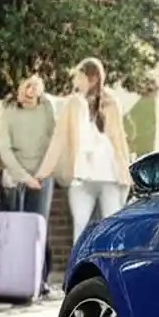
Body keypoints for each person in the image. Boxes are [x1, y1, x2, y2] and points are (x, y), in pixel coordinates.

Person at [35, 57, 133, 244]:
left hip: (110, 177)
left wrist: (127, 172)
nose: (75, 81)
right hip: (81, 177)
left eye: (79, 77)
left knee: (112, 228)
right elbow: (58, 140)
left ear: (92, 79)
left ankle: (110, 263)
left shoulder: (111, 102)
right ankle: (80, 263)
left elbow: (120, 140)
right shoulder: (73, 104)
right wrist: (43, 172)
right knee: (80, 228)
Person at [0, 74, 58, 298]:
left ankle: (40, 282)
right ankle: (16, 281)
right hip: (17, 177)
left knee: (39, 228)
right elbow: (4, 148)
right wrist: (23, 177)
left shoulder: (47, 108)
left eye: (34, 87)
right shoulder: (8, 111)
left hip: (42, 174)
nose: (29, 92)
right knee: (17, 230)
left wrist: (41, 174)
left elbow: (56, 139)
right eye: (25, 87)